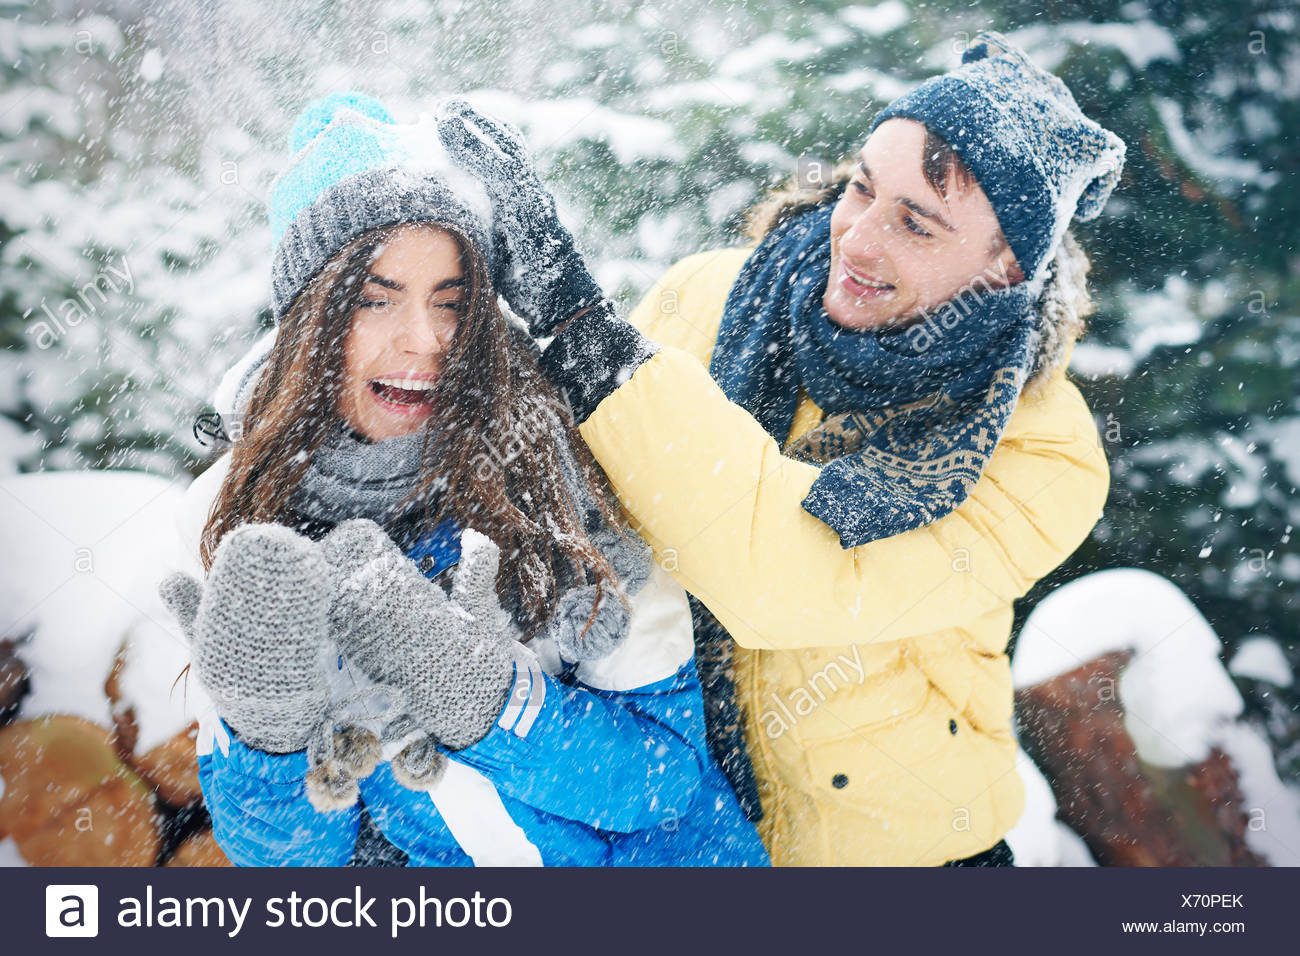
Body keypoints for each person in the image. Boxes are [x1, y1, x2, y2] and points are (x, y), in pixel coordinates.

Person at [435, 32, 1122, 865]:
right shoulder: (710, 295)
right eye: (862, 189)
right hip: (692, 840)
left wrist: (585, 333)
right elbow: (574, 485)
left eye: (916, 224)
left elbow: (784, 585)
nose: (859, 241)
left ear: (1008, 266)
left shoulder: (1041, 449)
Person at [160, 92, 767, 867]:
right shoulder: (234, 514)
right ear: (308, 321)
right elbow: (288, 864)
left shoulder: (563, 466)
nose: (426, 341)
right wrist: (262, 737)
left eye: (453, 304)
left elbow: (663, 785)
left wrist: (491, 700)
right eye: (374, 302)